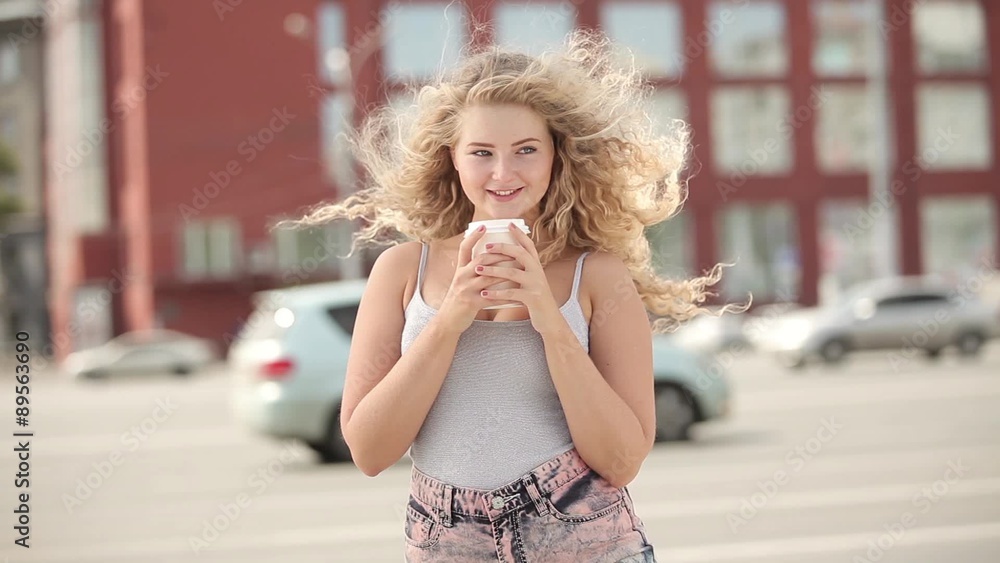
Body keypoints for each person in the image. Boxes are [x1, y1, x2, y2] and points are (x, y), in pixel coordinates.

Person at [289, 30, 739, 563]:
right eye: (482, 152)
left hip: (583, 538)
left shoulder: (597, 277)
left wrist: (549, 320)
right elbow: (368, 450)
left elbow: (620, 460)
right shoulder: (402, 271)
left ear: (556, 157)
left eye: (526, 150)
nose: (503, 173)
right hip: (447, 542)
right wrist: (450, 317)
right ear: (451, 159)